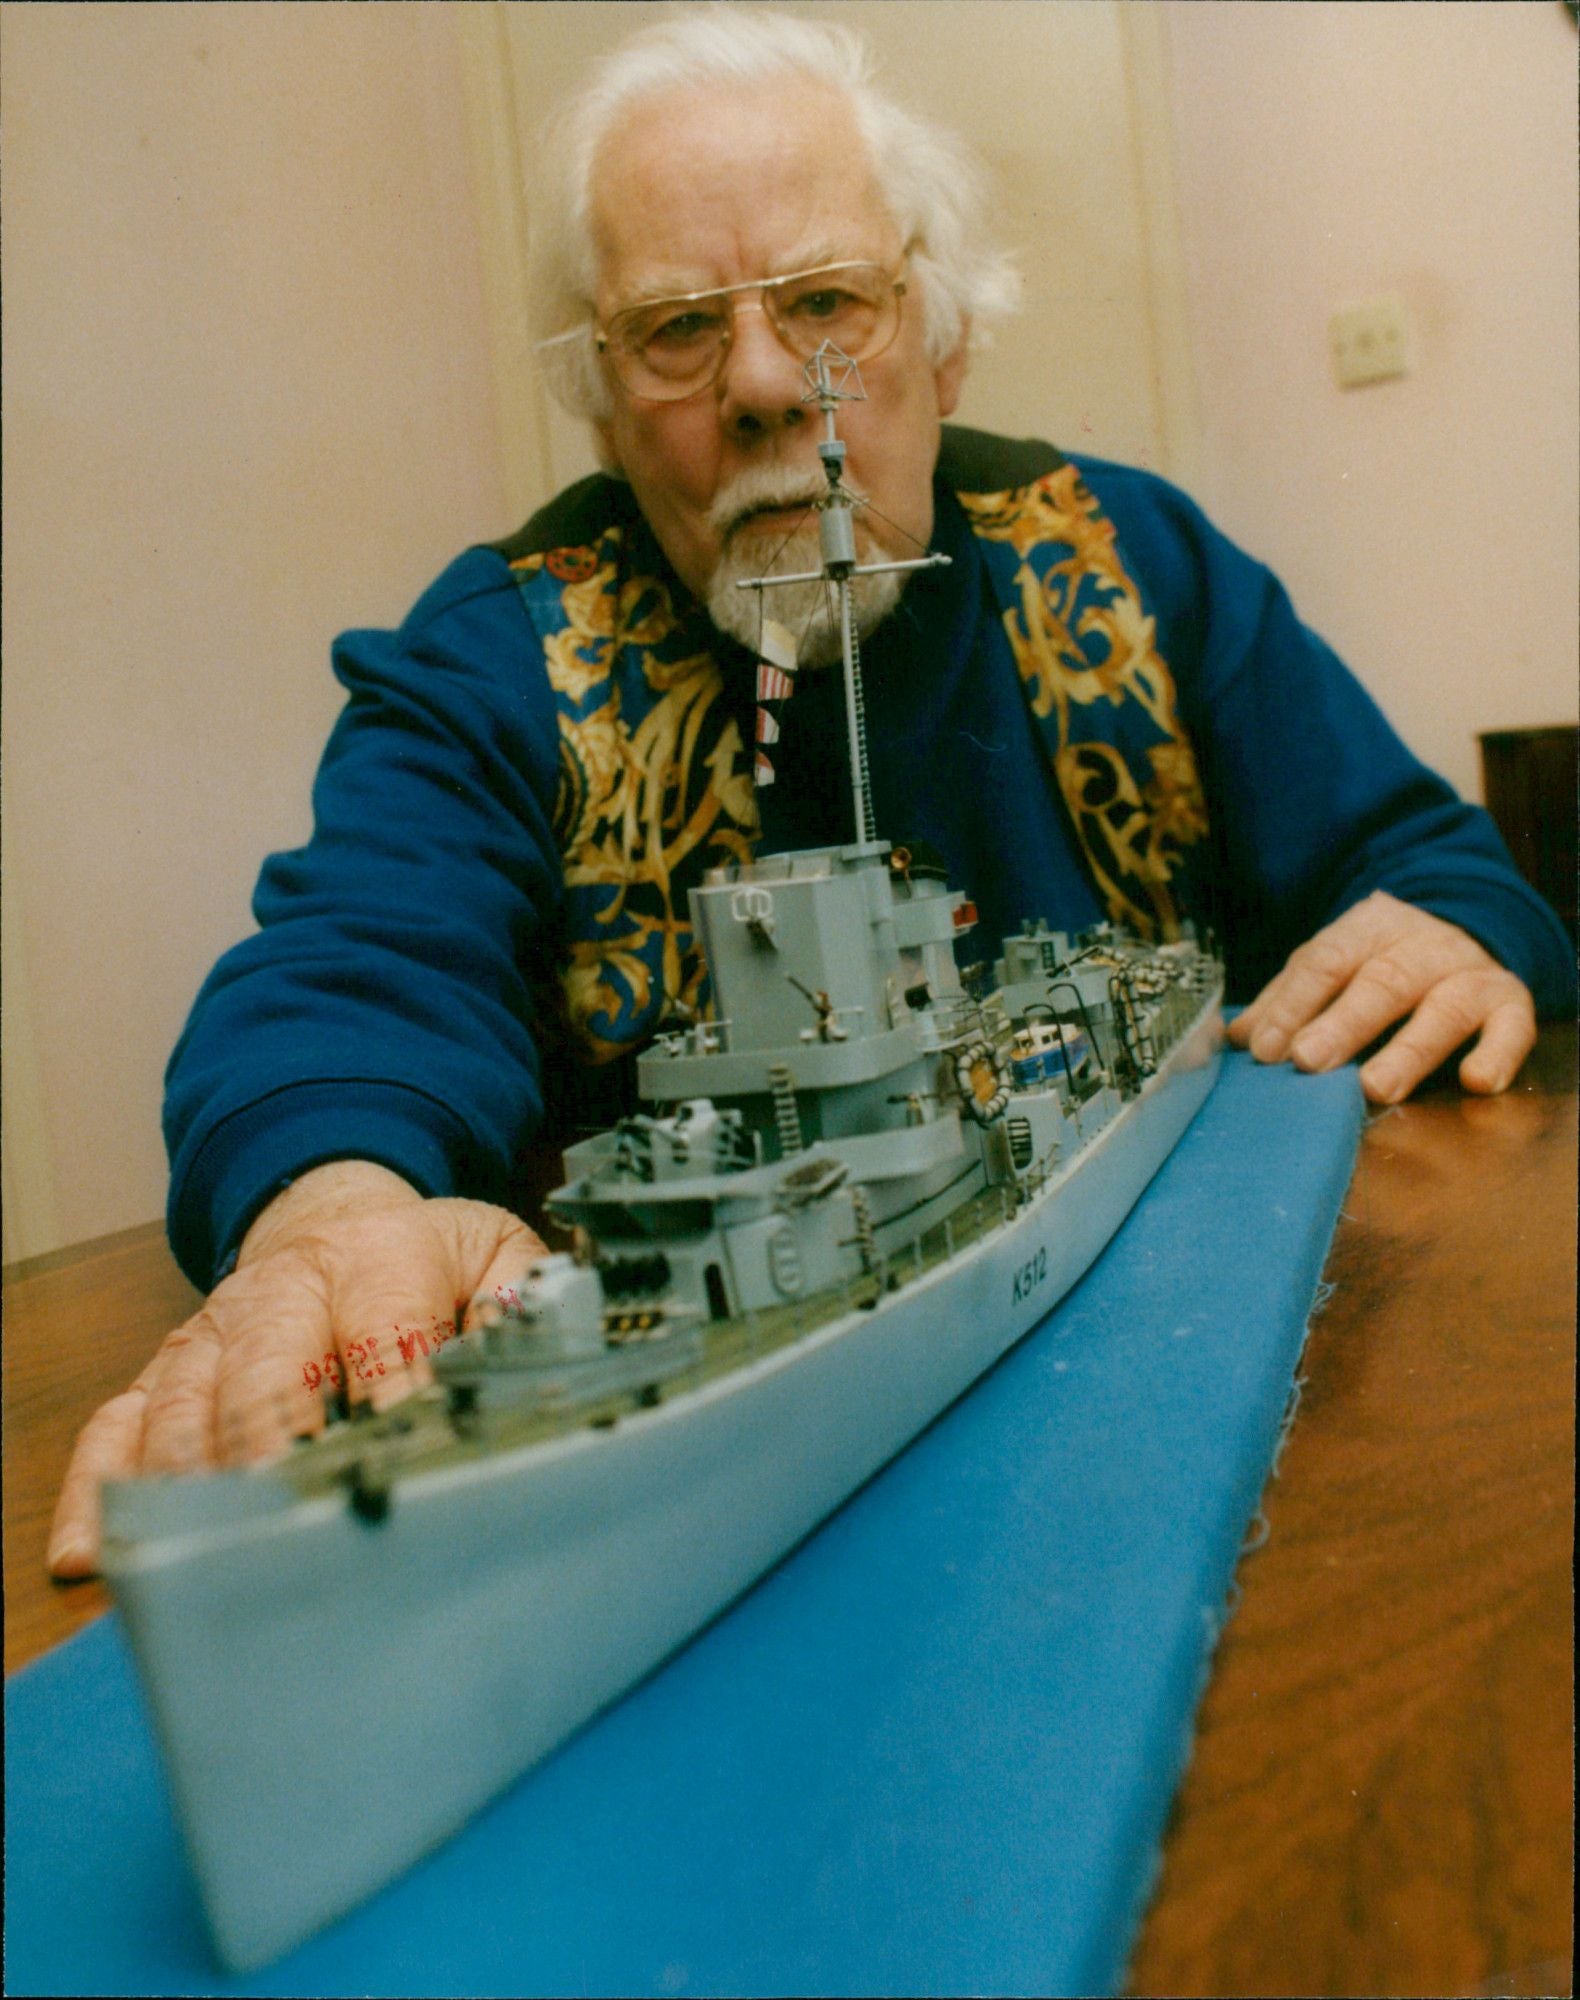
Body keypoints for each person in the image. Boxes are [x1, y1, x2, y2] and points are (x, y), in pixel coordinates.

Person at [48, 10, 1572, 1576]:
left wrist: (1457, 931)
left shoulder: (1136, 562)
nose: (770, 385)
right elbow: (343, 985)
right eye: (678, 332)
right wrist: (333, 1217)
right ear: (599, 390)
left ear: (944, 333)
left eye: (828, 302)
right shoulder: (498, 657)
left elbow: (1433, 866)